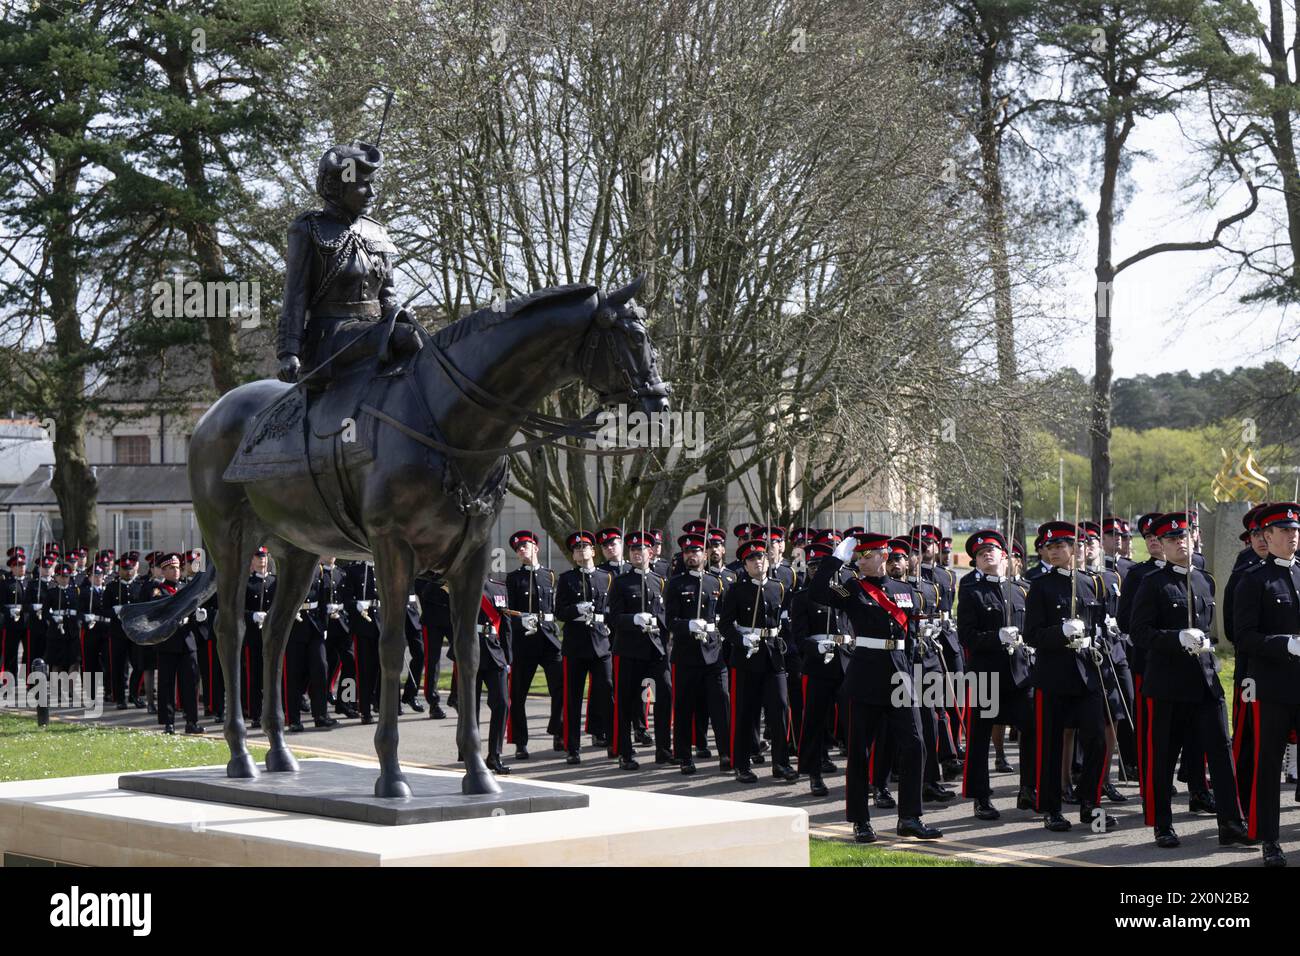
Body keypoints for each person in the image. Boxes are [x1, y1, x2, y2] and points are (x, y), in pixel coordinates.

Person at [1129, 511, 1251, 850]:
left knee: (1221, 753)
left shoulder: (1204, 579)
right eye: (1171, 539)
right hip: (1168, 682)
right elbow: (1138, 632)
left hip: (1205, 679)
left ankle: (1231, 823)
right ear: (1161, 546)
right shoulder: (1152, 583)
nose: (1179, 542)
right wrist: (1176, 637)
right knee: (1163, 756)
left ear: (1192, 538)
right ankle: (1162, 825)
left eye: (1183, 536)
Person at [809, 532, 941, 843]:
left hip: (899, 674)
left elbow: (907, 637)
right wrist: (835, 560)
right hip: (865, 673)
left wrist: (908, 671)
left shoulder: (904, 590)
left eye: (866, 556)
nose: (861, 561)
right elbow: (817, 591)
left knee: (913, 744)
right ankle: (860, 820)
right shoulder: (852, 589)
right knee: (859, 751)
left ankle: (909, 817)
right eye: (858, 556)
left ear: (883, 555)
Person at [276, 141, 420, 386]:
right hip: (330, 339)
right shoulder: (308, 229)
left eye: (372, 184)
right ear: (337, 187)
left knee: (419, 335)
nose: (372, 193)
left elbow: (387, 294)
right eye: (363, 185)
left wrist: (398, 312)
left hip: (374, 331)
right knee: (403, 337)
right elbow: (295, 295)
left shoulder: (377, 231)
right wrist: (289, 351)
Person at [1023, 521, 1115, 833]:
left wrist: (1097, 638)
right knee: (1050, 745)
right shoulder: (1041, 586)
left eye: (1061, 545)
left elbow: (1098, 622)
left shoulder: (1092, 583)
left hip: (1087, 672)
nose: (1055, 551)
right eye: (1050, 547)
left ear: (1073, 549)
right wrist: (1060, 632)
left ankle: (1090, 802)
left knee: (1097, 740)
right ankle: (1051, 808)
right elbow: (1031, 634)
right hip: (1054, 674)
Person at [1231, 500, 1300, 867]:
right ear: (1267, 536)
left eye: (1295, 530)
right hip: (1271, 687)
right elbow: (1243, 637)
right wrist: (1285, 644)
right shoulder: (1253, 579)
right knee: (1268, 764)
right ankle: (1269, 839)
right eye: (1284, 531)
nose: (1292, 536)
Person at [958, 530, 1036, 820]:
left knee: (1031, 731)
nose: (986, 554)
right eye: (980, 553)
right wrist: (995, 637)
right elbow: (966, 635)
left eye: (992, 550)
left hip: (1019, 673)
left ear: (1005, 555)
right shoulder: (971, 591)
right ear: (976, 562)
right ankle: (980, 796)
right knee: (979, 739)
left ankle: (1029, 787)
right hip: (986, 674)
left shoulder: (1022, 589)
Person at [719, 536, 796, 783]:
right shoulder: (736, 589)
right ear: (745, 564)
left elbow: (781, 620)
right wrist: (740, 639)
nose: (758, 561)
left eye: (761, 556)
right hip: (747, 657)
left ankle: (781, 763)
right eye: (752, 559)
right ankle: (742, 764)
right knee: (745, 712)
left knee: (780, 709)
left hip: (773, 655)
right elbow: (724, 625)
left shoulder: (777, 586)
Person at [791, 538, 852, 797]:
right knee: (814, 721)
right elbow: (798, 637)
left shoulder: (843, 592)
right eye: (813, 565)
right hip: (818, 666)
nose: (817, 569)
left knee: (854, 722)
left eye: (822, 565)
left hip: (846, 662)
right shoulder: (803, 597)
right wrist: (816, 646)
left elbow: (854, 621)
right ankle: (814, 773)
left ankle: (864, 776)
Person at [665, 532, 729, 775]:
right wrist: (688, 625)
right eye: (688, 552)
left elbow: (723, 614)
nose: (692, 556)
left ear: (705, 553)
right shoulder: (676, 584)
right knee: (684, 707)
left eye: (697, 551)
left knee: (721, 704)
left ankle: (726, 752)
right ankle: (683, 756)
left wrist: (718, 628)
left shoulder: (716, 582)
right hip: (686, 654)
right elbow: (670, 620)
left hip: (713, 653)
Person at [607, 531, 671, 770]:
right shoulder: (621, 582)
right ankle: (625, 752)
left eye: (641, 549)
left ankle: (663, 749)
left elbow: (668, 615)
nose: (636, 553)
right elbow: (612, 617)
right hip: (629, 650)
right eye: (633, 550)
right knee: (626, 701)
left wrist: (658, 622)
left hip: (656, 649)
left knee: (665, 695)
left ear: (651, 552)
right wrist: (634, 619)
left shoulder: (660, 581)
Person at [555, 530, 614, 763]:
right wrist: (576, 609)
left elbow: (613, 608)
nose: (581, 551)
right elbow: (559, 611)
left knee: (607, 693)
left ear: (593, 551)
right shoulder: (567, 579)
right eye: (576, 549)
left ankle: (612, 741)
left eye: (585, 547)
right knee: (573, 698)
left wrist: (604, 617)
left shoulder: (606, 577)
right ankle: (572, 747)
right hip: (576, 644)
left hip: (601, 642)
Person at [1225, 502, 1268, 815]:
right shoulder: (1245, 570)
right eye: (1257, 533)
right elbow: (1233, 628)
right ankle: (1241, 804)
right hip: (1253, 671)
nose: (1263, 538)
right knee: (1249, 737)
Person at [505, 530, 563, 758]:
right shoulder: (513, 578)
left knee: (560, 688)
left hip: (549, 639)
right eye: (518, 548)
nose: (521, 550)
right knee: (518, 693)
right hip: (524, 641)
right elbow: (507, 611)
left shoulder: (549, 575)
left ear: (536, 548)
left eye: (525, 546)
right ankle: (520, 742)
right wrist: (521, 620)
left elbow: (555, 607)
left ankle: (558, 731)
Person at [147, 553, 204, 735]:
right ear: (163, 571)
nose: (176, 571)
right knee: (166, 684)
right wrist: (174, 620)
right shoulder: (159, 591)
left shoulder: (186, 588)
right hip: (168, 643)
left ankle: (192, 721)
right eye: (171, 568)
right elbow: (157, 613)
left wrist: (198, 616)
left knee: (190, 683)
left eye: (178, 567)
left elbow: (194, 608)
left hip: (187, 642)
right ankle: (168, 722)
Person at [468, 577, 512, 774]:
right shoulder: (462, 584)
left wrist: (508, 657)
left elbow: (506, 623)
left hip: (495, 652)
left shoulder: (498, 587)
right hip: (470, 651)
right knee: (470, 707)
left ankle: (494, 755)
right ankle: (470, 751)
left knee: (502, 703)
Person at [316, 556, 358, 719]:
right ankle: (320, 702)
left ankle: (346, 701)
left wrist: (343, 607)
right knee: (324, 665)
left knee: (350, 662)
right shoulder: (317, 573)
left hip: (342, 624)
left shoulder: (342, 573)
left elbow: (349, 596)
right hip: (324, 625)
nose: (331, 555)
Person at [345, 559, 382, 723]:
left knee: (382, 668)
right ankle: (365, 710)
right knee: (365, 669)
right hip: (363, 624)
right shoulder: (354, 570)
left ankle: (381, 704)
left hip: (381, 622)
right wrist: (356, 605)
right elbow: (346, 599)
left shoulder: (383, 567)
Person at [243, 548, 275, 726]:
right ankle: (256, 714)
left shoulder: (274, 581)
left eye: (263, 557)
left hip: (270, 634)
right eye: (258, 557)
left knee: (271, 674)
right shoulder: (248, 583)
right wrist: (252, 615)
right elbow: (240, 610)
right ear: (252, 560)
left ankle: (272, 711)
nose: (261, 560)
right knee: (255, 675)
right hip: (254, 635)